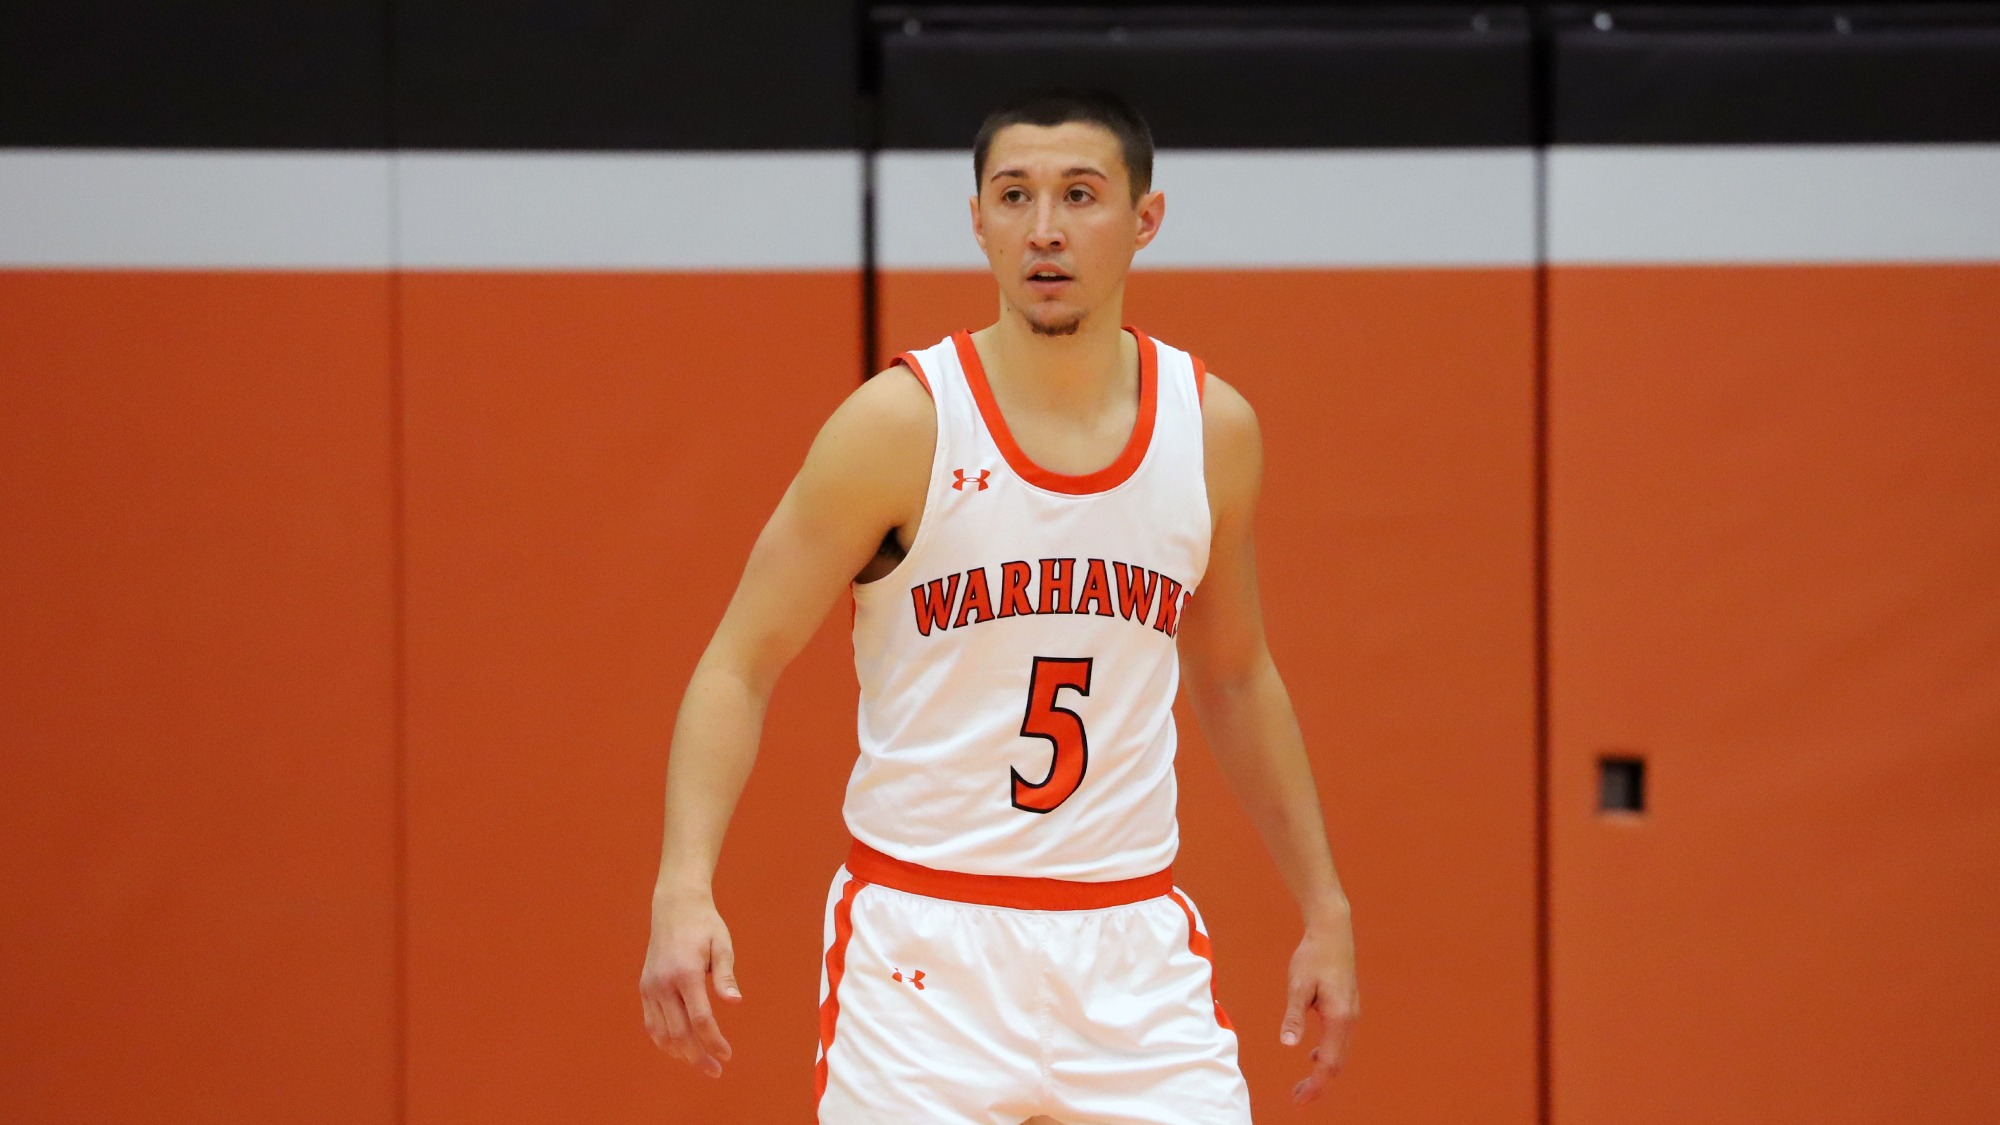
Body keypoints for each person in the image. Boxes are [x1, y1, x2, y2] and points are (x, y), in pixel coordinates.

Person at [640, 87, 1358, 1123]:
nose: (1045, 229)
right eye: (1014, 196)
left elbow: (1235, 675)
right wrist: (683, 883)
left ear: (1145, 219)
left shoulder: (1210, 431)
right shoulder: (899, 425)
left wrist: (1323, 903)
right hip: (925, 944)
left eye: (1080, 195)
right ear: (977, 221)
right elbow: (737, 663)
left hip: (1128, 942)